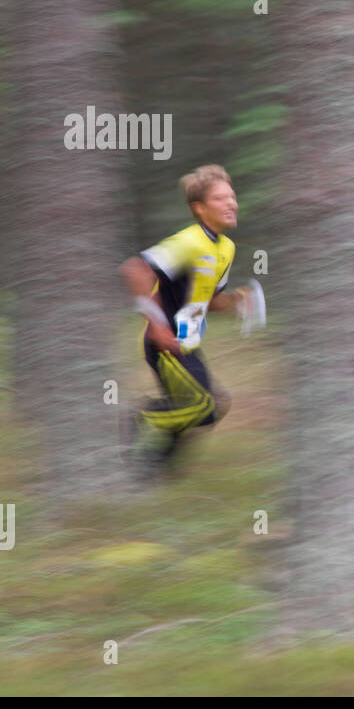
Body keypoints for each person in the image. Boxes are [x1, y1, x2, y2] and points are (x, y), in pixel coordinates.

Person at [119, 164, 251, 477]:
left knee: (205, 408)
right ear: (200, 208)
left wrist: (237, 301)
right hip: (166, 345)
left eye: (232, 196)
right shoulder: (189, 241)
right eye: (221, 198)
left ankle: (151, 473)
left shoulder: (226, 248)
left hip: (188, 343)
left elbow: (211, 301)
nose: (231, 203)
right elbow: (135, 270)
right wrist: (157, 325)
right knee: (203, 408)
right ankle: (139, 416)